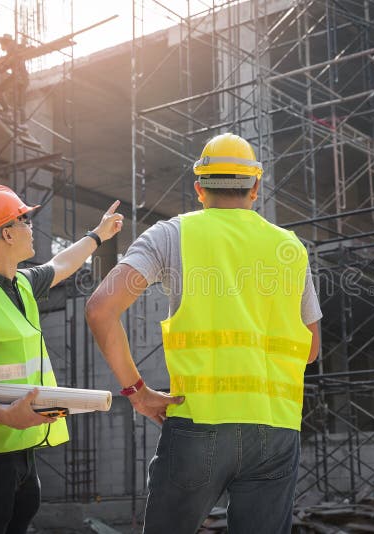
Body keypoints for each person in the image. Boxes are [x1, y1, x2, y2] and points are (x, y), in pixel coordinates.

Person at [86, 133, 322, 534]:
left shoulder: (171, 235)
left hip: (199, 422)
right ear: (255, 187)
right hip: (277, 429)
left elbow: (100, 309)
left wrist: (138, 392)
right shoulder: (291, 248)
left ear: (199, 189)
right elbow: (311, 349)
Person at [0, 184, 123, 534]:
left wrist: (98, 235)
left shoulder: (21, 284)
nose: (31, 228)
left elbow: (60, 264)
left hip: (21, 453)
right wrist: (2, 414)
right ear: (7, 234)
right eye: (25, 221)